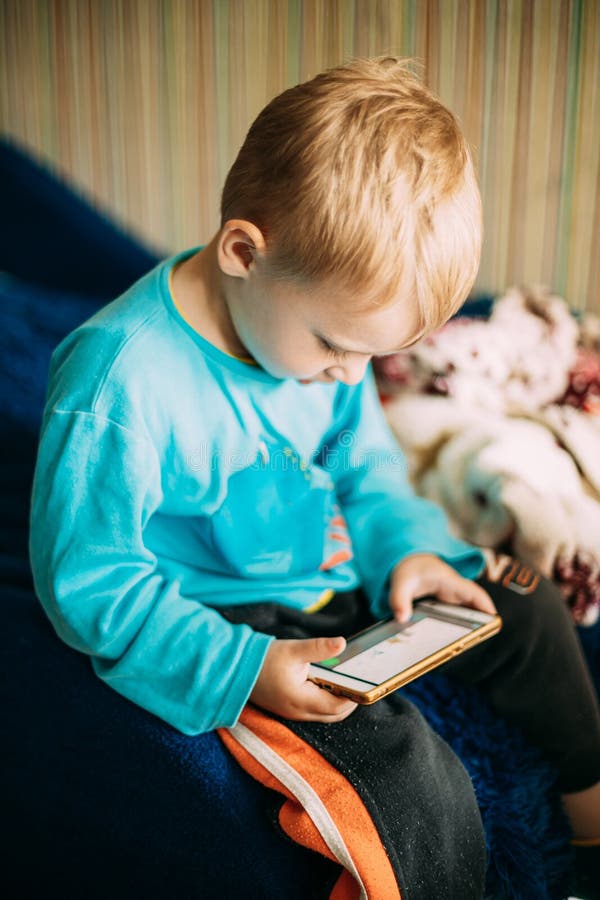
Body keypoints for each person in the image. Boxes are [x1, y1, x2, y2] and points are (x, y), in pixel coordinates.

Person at [29, 57, 599, 898]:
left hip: (335, 574)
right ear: (243, 252)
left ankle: (591, 836)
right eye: (336, 346)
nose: (349, 376)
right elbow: (92, 582)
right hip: (223, 611)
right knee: (410, 778)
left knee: (522, 601)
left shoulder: (325, 346)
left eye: (372, 354)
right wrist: (243, 666)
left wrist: (408, 553)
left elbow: (362, 467)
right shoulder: (119, 386)